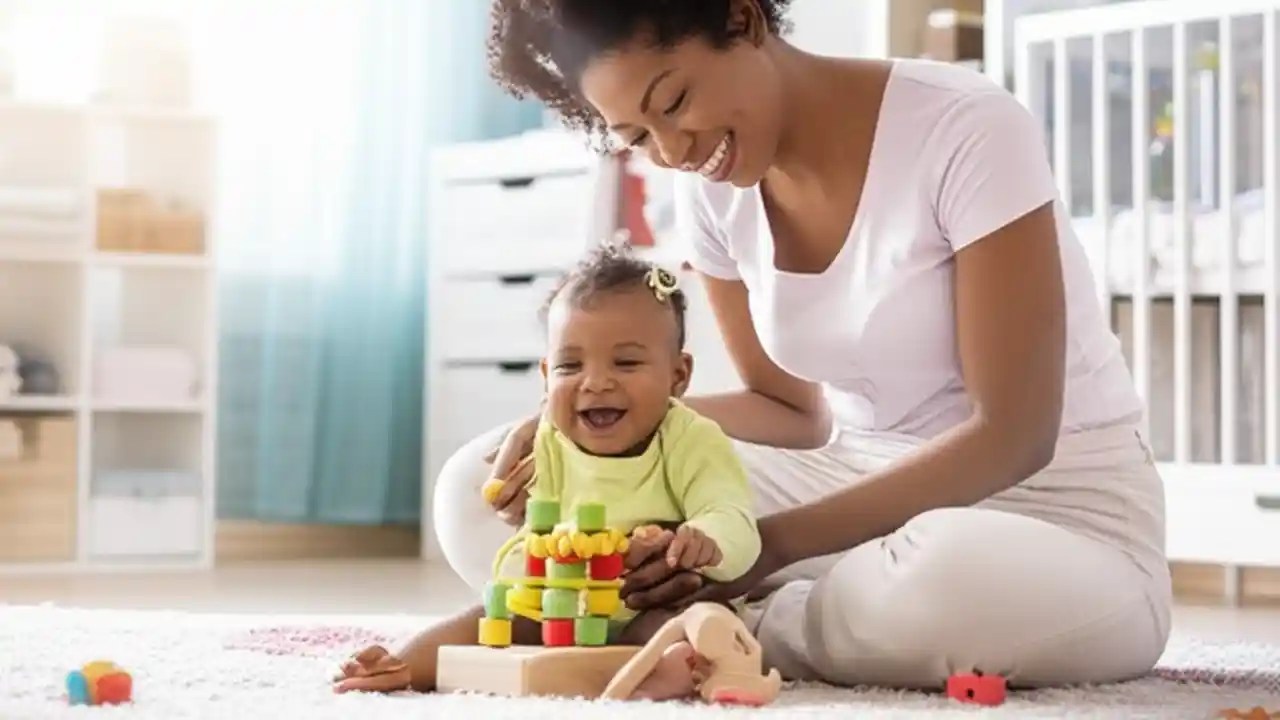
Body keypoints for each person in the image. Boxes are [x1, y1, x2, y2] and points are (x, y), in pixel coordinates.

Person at [436, 0, 1172, 690]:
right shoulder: (711, 187)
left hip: (1052, 514)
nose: (673, 150)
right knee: (480, 487)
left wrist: (763, 546)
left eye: (673, 103)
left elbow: (1013, 436)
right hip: (851, 481)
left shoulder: (967, 126)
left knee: (941, 578)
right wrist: (592, 429)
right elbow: (788, 409)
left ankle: (706, 624)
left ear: (742, 17)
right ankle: (718, 619)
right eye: (636, 137)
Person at [335, 247, 761, 697]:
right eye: (570, 366)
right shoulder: (551, 442)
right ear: (545, 375)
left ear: (679, 375)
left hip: (649, 604)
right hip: (561, 607)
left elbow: (731, 515)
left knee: (697, 624)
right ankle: (401, 665)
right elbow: (531, 537)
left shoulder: (692, 439)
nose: (595, 382)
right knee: (484, 616)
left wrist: (701, 539)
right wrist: (531, 582)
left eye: (627, 362)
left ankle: (665, 671)